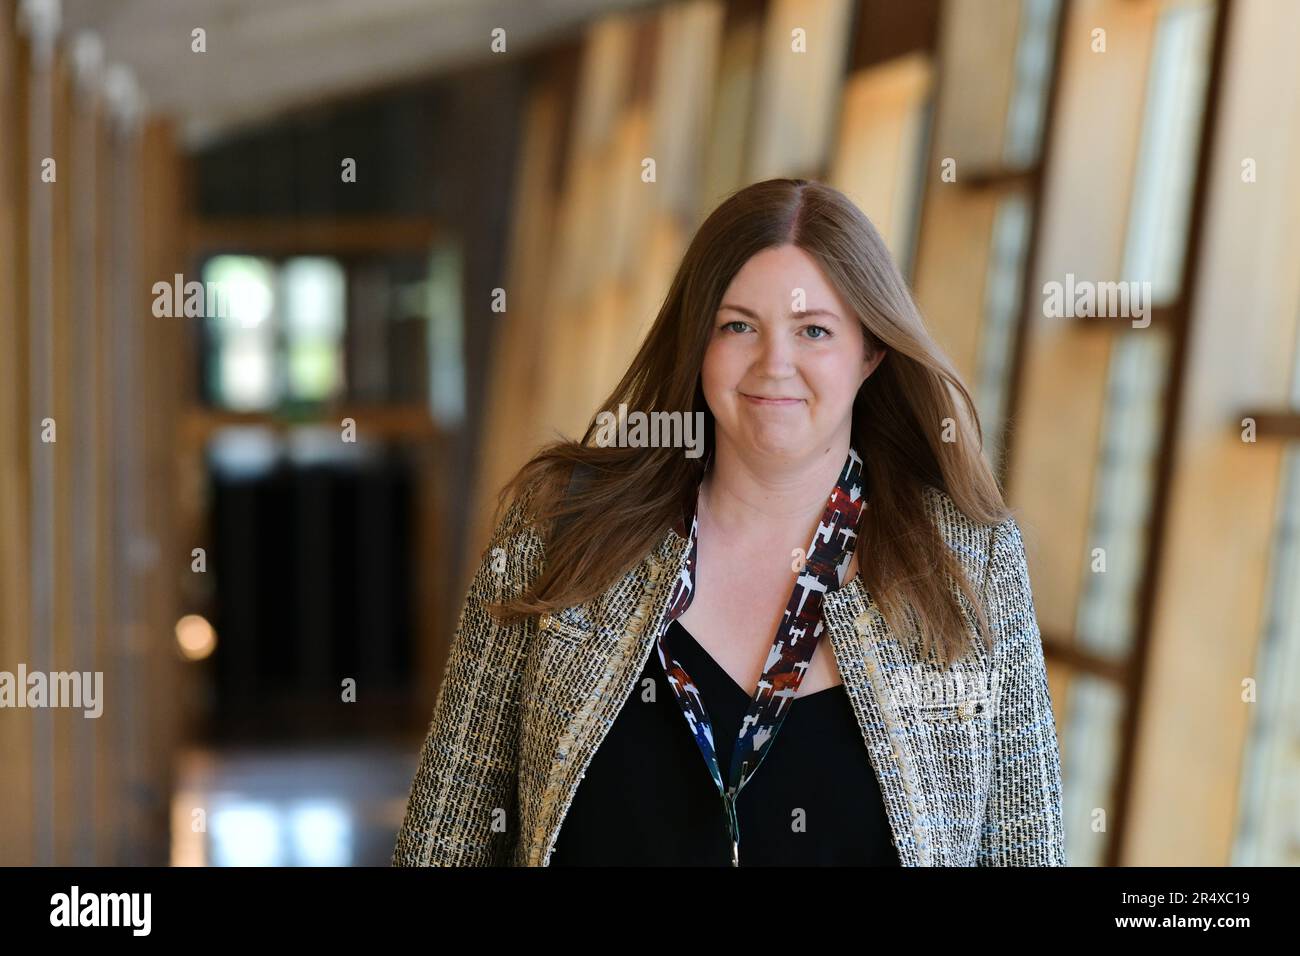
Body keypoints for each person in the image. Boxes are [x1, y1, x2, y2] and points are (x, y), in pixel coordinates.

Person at [393, 178, 1066, 867]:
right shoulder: (560, 529)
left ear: (871, 352)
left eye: (814, 331)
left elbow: (1025, 849)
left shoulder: (968, 562)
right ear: (698, 342)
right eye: (739, 325)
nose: (775, 365)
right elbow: (445, 835)